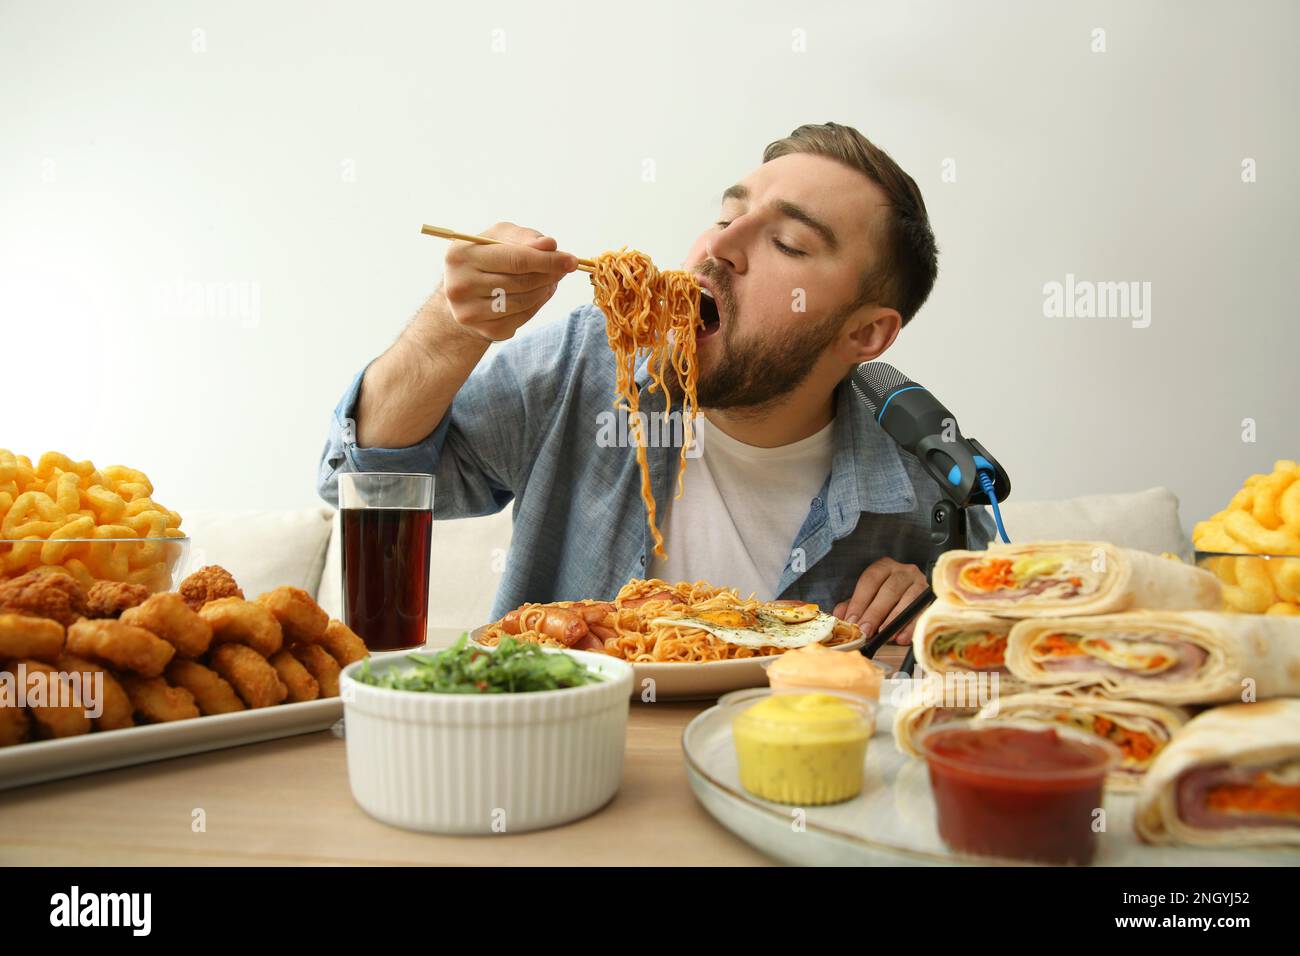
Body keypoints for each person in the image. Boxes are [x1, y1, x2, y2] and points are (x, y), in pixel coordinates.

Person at [318, 121, 992, 644]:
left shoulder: (925, 474)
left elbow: (987, 647)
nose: (717, 248)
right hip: (565, 771)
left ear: (865, 334)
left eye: (787, 243)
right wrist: (450, 323)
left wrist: (940, 599)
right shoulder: (590, 360)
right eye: (727, 218)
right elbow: (368, 481)